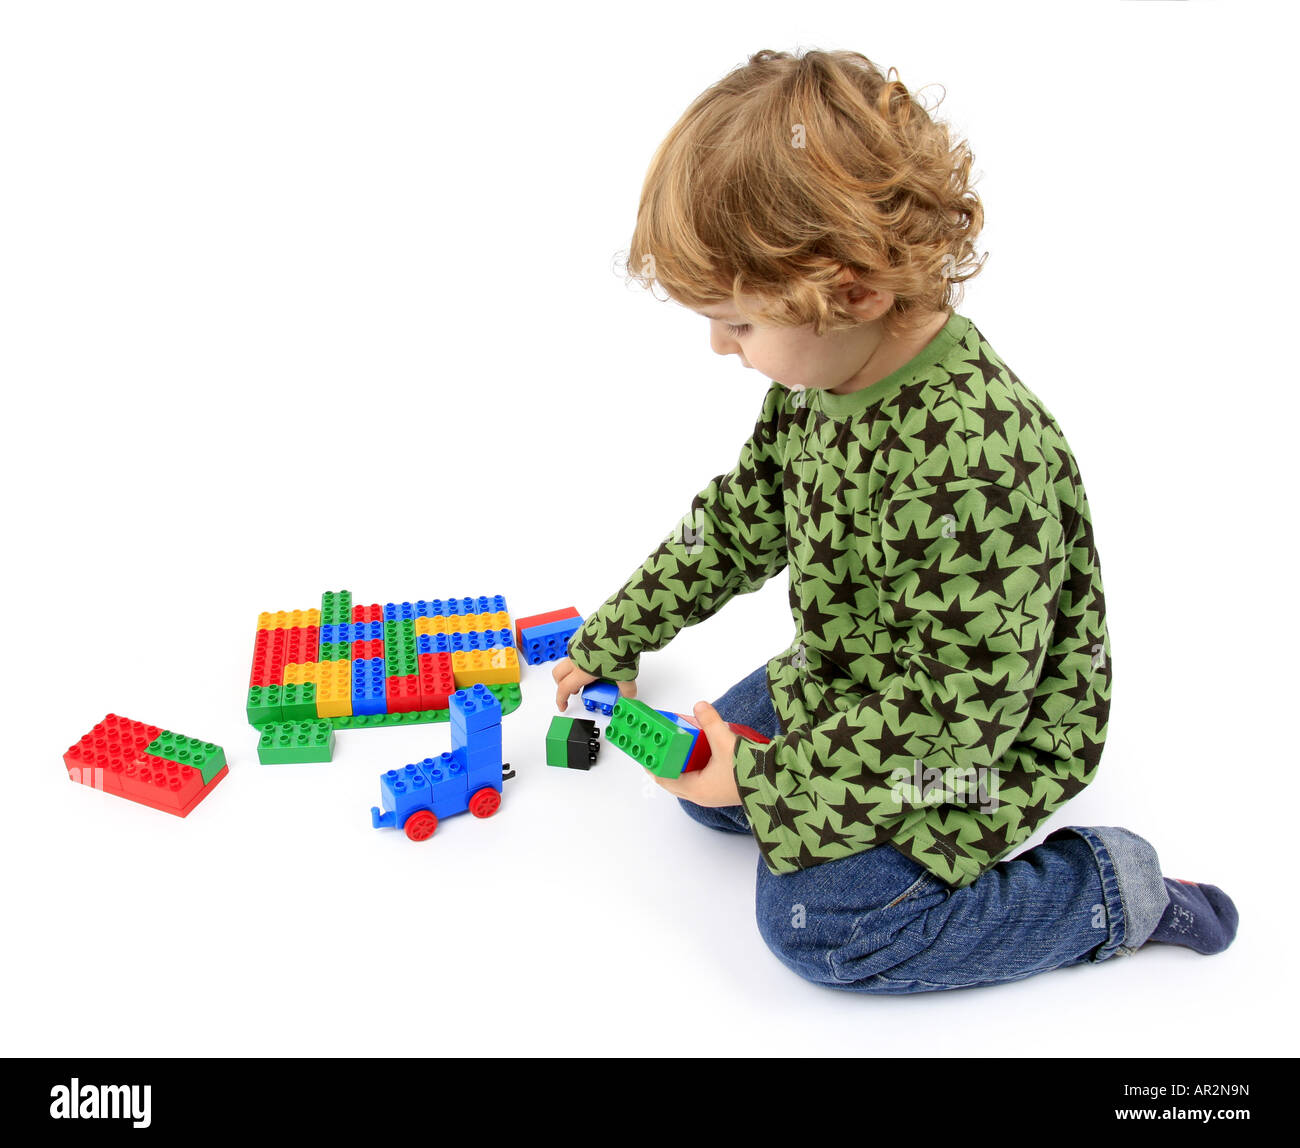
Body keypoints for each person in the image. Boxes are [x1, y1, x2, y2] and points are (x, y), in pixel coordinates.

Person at [552, 48, 1237, 992]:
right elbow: (742, 520)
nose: (719, 345)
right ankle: (773, 784)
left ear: (855, 292)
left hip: (981, 750)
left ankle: (1112, 892)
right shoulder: (820, 378)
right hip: (856, 678)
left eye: (739, 322)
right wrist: (617, 632)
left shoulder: (975, 463)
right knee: (702, 797)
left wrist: (769, 784)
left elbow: (958, 718)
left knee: (817, 926)